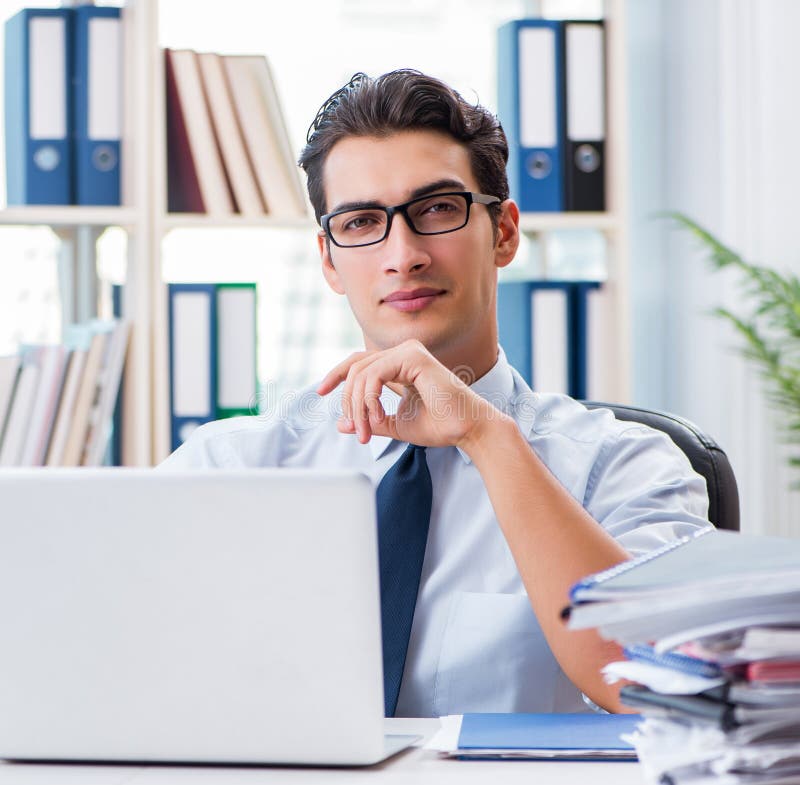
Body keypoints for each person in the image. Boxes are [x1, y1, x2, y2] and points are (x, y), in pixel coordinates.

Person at [161, 70, 710, 716]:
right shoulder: (230, 469)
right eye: (363, 221)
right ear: (330, 260)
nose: (404, 254)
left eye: (438, 209)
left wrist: (486, 435)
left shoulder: (624, 465)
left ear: (504, 232)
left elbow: (665, 689)